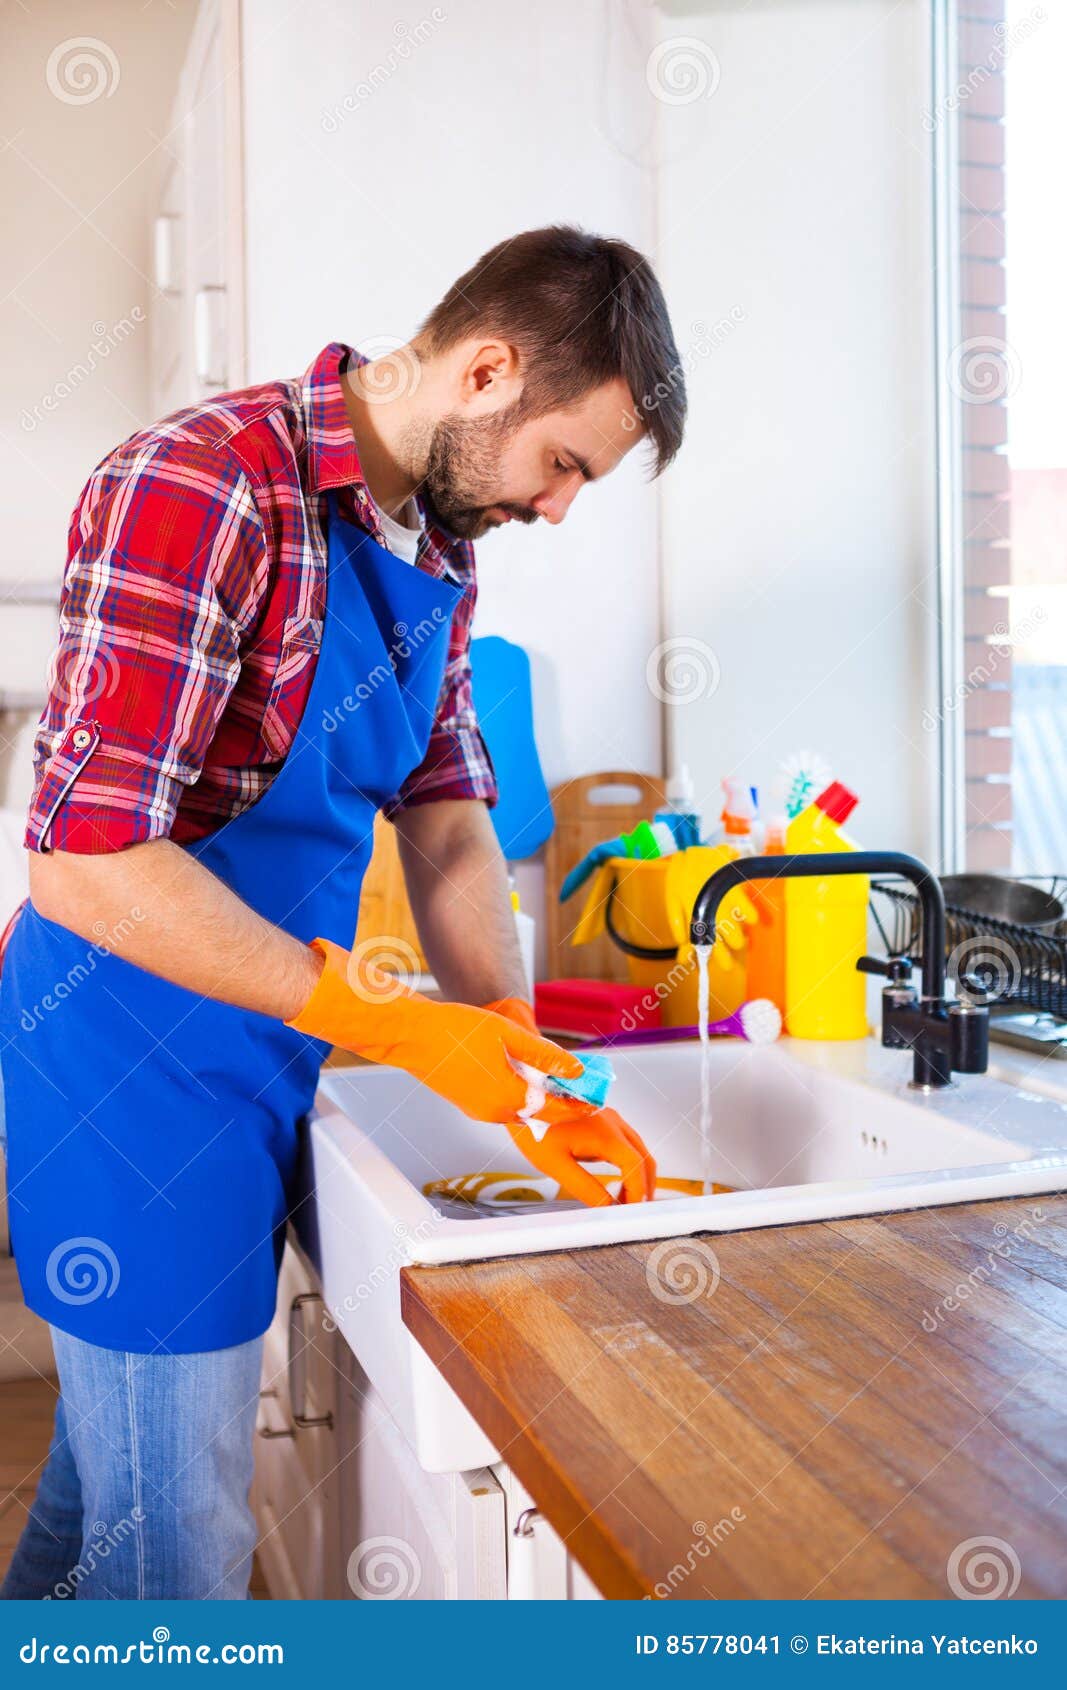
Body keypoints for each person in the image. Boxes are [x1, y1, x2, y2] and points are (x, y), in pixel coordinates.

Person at [0, 226, 686, 1599]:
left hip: (264, 1050)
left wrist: (506, 1031)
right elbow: (82, 859)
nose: (560, 509)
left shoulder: (434, 537)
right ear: (487, 370)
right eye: (566, 465)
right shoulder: (199, 488)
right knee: (177, 1561)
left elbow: (445, 820)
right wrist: (388, 1021)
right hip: (129, 1067)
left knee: (99, 1505)